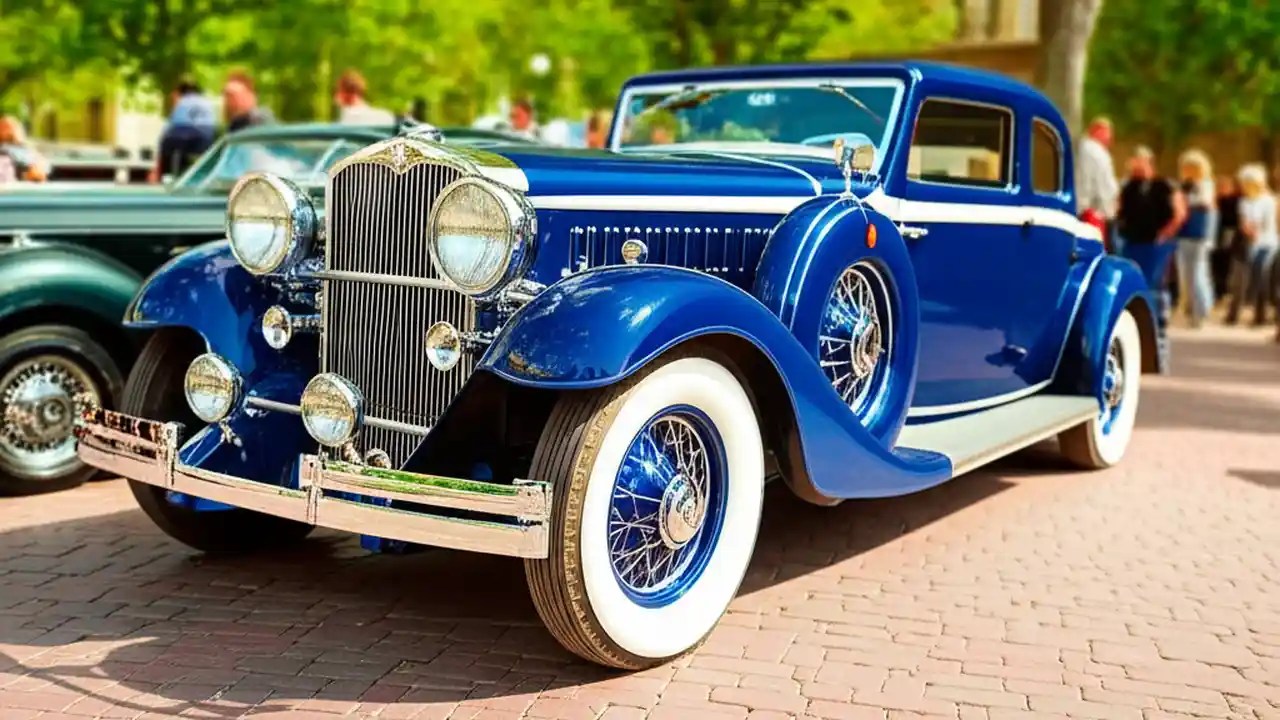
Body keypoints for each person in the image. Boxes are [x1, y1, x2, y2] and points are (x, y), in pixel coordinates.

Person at [1116, 146, 1185, 321]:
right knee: (1135, 280)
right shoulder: (1129, 187)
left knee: (1154, 282)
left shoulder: (1164, 185)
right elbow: (1119, 210)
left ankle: (1155, 318)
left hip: (1157, 242)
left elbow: (1179, 213)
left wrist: (1165, 234)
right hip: (1133, 240)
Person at [1226, 163, 1278, 326]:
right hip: (1251, 244)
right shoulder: (1244, 202)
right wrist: (1248, 228)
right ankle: (1257, 312)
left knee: (1263, 276)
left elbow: (1269, 222)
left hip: (1268, 243)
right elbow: (1244, 221)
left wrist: (1255, 229)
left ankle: (1263, 313)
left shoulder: (1269, 200)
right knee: (1253, 278)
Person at [1172, 149, 1217, 328]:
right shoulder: (1185, 185)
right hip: (1184, 234)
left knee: (1197, 273)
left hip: (1199, 235)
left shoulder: (1205, 184)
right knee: (1185, 274)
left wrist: (1185, 200)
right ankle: (1194, 310)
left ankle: (1201, 311)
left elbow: (1205, 203)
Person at [151, 77, 216, 182]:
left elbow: (170, 127)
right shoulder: (206, 102)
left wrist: (157, 169)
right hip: (206, 136)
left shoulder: (183, 101)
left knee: (168, 144)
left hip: (182, 133)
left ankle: (163, 177)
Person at [1077, 117, 1120, 250]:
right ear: (1096, 131)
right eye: (1107, 132)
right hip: (1094, 212)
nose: (1110, 137)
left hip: (1094, 210)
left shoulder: (1091, 150)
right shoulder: (1093, 150)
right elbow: (1100, 184)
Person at [1214, 174, 1240, 300]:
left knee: (1225, 262)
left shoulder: (1235, 201)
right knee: (1216, 262)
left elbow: (1234, 220)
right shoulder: (1216, 200)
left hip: (1228, 232)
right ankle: (1218, 290)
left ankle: (1223, 290)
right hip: (1216, 232)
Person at [0, 115, 49, 183]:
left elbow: (40, 169)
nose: (6, 131)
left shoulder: (30, 153)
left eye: (6, 127)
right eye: (3, 127)